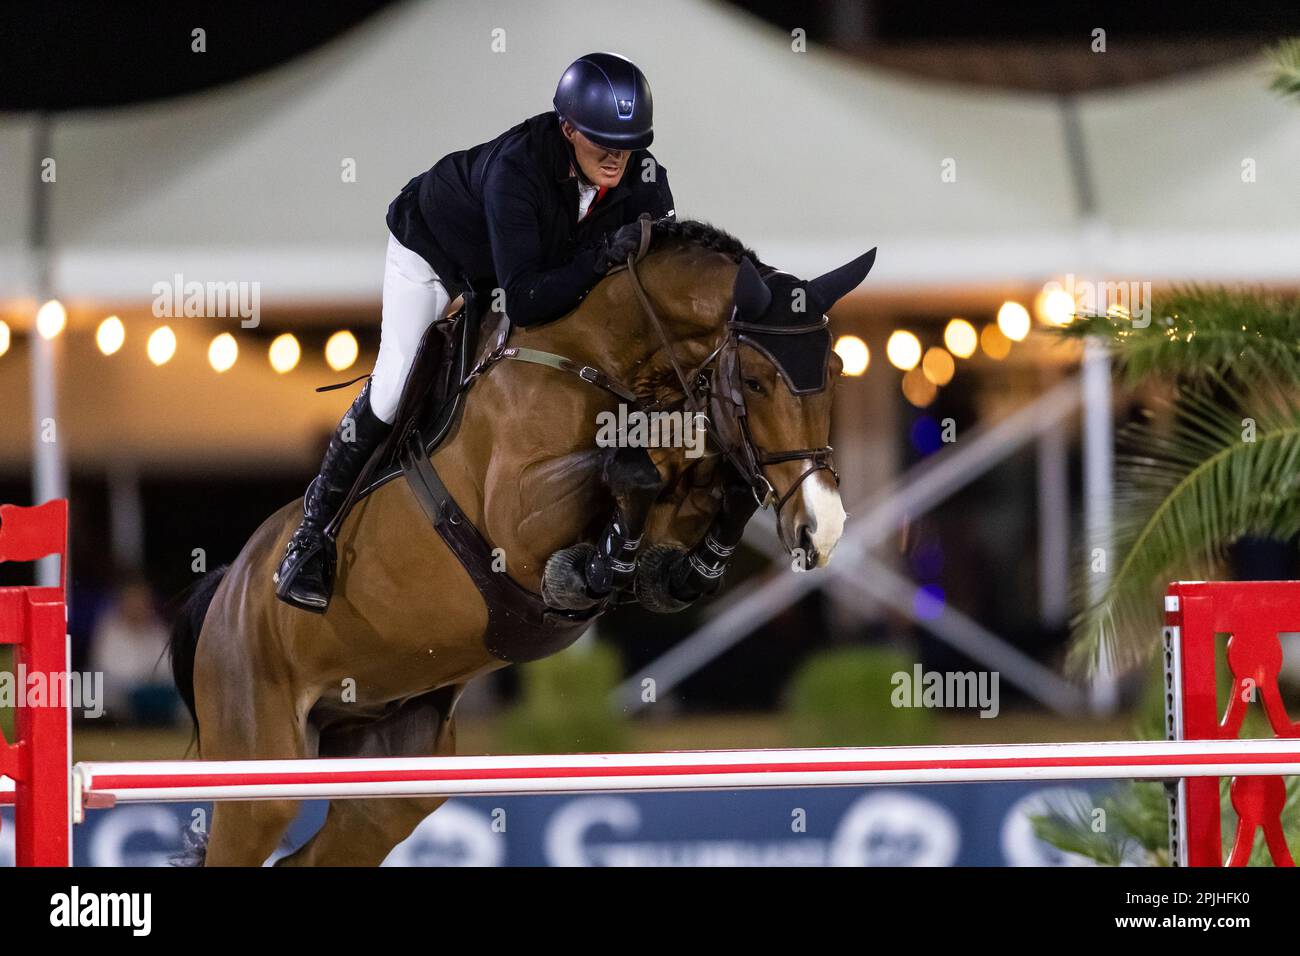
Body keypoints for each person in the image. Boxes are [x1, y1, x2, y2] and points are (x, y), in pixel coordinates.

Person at [276, 52, 676, 613]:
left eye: (628, 143)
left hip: (521, 267)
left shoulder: (645, 178)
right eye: (600, 141)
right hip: (435, 252)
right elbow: (527, 299)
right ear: (567, 128)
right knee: (394, 386)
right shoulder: (519, 168)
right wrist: (600, 259)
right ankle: (310, 535)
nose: (616, 158)